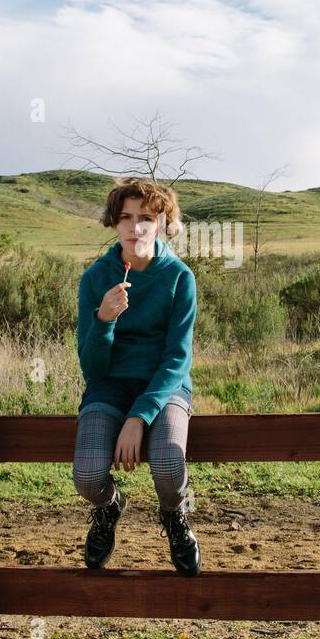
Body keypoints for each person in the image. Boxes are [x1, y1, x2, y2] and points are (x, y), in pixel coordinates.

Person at [73, 177, 201, 575]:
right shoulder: (96, 278)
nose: (135, 227)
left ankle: (175, 517)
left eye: (146, 217)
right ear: (114, 224)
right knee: (89, 476)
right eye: (126, 218)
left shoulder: (179, 277)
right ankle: (110, 507)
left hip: (165, 388)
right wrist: (104, 320)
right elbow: (92, 368)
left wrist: (138, 417)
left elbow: (177, 358)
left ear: (162, 222)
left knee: (167, 465)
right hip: (110, 386)